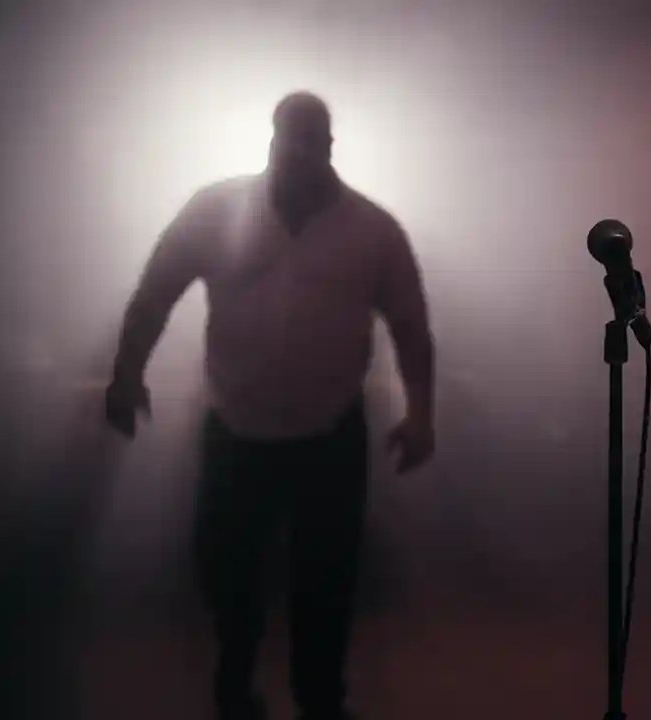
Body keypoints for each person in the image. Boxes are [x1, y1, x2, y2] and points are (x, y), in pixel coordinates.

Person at [103, 91, 435, 720]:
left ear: (332, 147)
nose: (301, 152)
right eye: (291, 138)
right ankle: (235, 683)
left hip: (328, 430)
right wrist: (126, 376)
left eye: (313, 140)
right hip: (236, 423)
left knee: (327, 583)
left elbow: (412, 326)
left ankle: (319, 702)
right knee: (224, 572)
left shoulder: (372, 230)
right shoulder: (214, 210)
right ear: (272, 139)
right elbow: (154, 295)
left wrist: (422, 414)